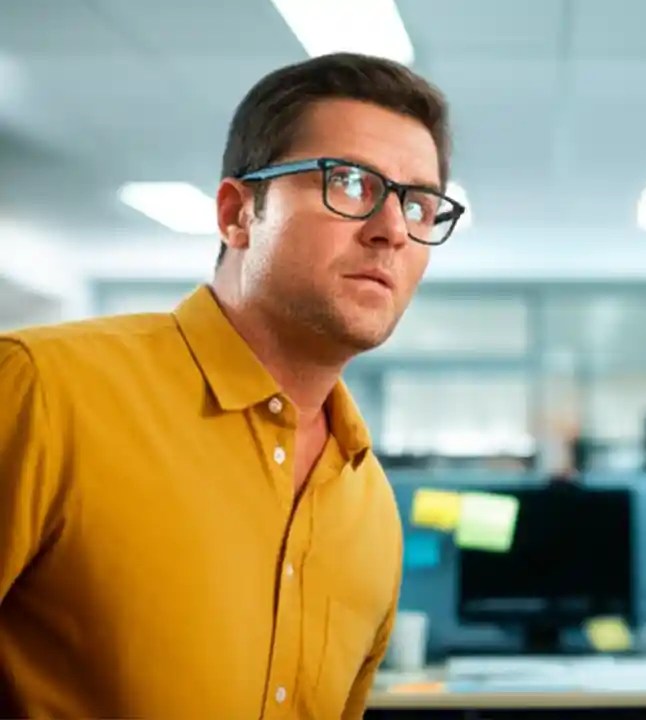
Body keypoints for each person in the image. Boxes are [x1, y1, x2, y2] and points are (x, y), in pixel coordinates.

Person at [0, 52, 464, 718]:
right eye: (350, 183)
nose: (392, 229)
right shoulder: (41, 393)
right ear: (237, 214)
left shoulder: (371, 509)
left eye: (419, 203)